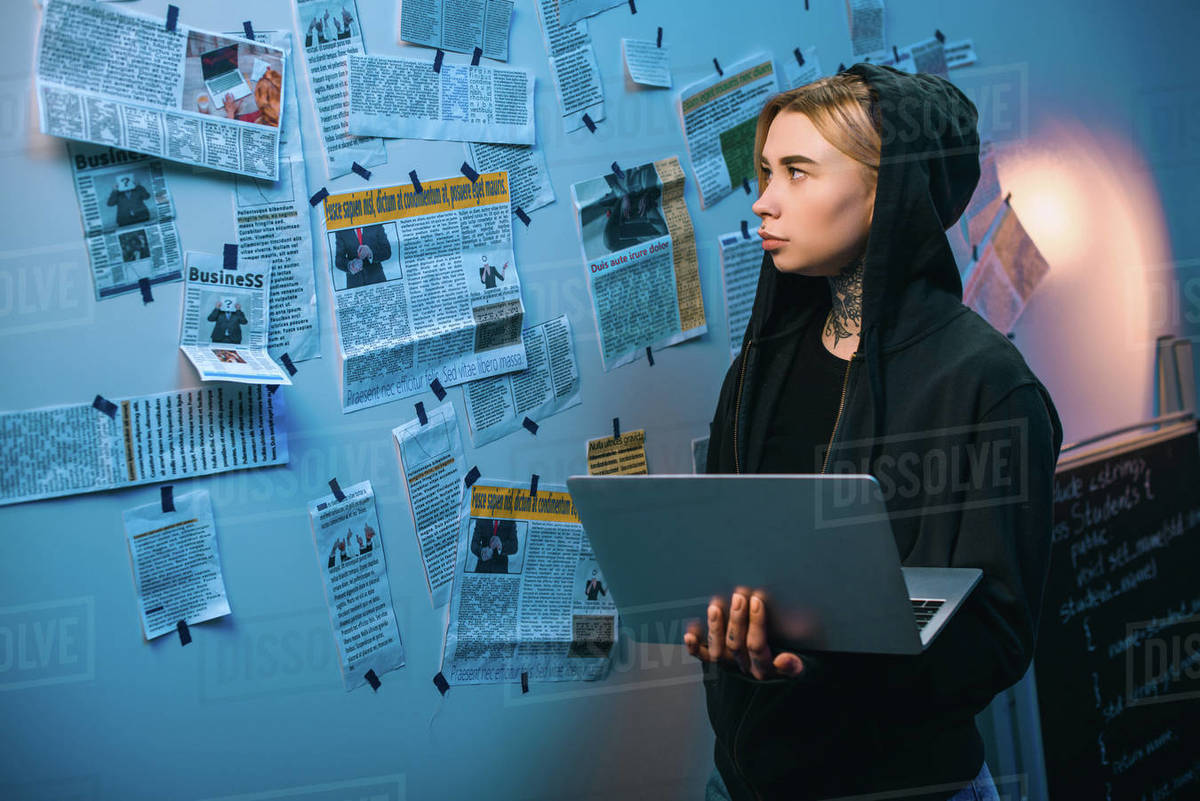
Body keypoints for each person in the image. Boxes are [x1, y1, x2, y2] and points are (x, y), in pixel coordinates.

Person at [684, 64, 1063, 801]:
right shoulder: (758, 369)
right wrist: (729, 628)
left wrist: (835, 653)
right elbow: (729, 548)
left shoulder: (989, 384)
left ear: (890, 195)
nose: (764, 202)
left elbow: (997, 639)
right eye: (765, 172)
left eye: (798, 172)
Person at [333, 224, 392, 288]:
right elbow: (339, 260)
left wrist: (371, 253)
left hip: (377, 281)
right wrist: (350, 265)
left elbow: (387, 251)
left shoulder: (375, 224)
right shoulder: (341, 230)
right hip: (354, 284)